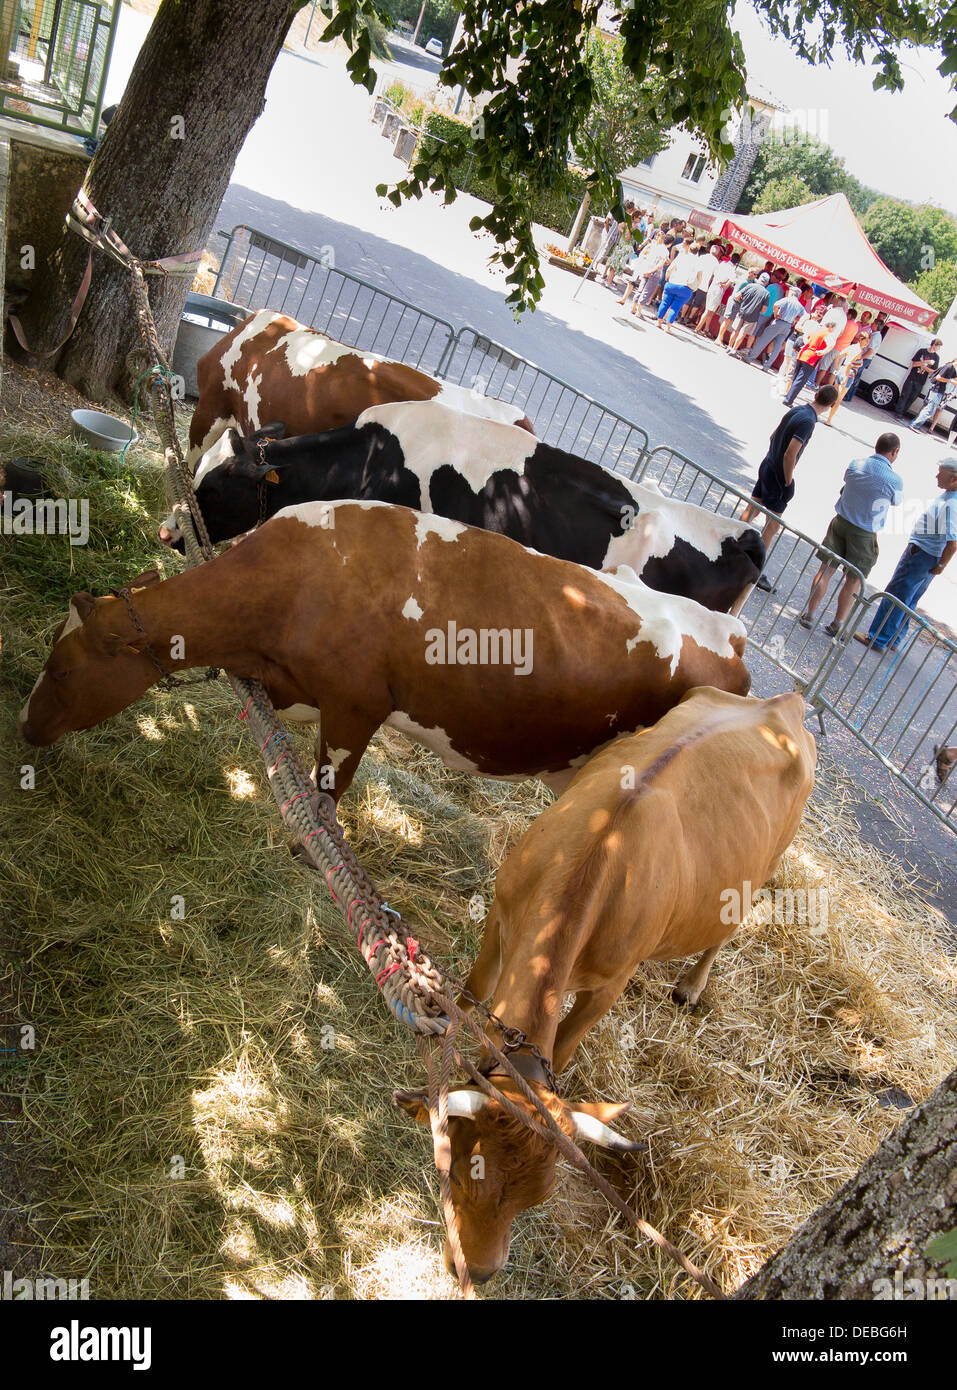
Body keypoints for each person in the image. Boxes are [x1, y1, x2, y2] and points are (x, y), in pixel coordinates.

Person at [800, 433, 903, 636]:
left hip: (840, 522)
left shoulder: (856, 464)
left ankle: (810, 614)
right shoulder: (894, 480)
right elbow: (896, 502)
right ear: (894, 452)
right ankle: (837, 623)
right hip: (864, 533)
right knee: (853, 580)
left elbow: (846, 480)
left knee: (825, 570)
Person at [855, 460, 957, 652]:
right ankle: (893, 638)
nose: (936, 476)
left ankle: (878, 638)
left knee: (895, 596)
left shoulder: (952, 504)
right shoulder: (950, 496)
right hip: (927, 555)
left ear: (954, 478)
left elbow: (953, 544)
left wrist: (941, 566)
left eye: (940, 473)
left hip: (923, 555)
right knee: (908, 599)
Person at [741, 386, 840, 579]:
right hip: (779, 475)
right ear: (831, 405)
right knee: (773, 524)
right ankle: (754, 567)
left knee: (751, 509)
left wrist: (772, 457)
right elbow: (790, 454)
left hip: (768, 465)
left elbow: (772, 436)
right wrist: (788, 480)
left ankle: (729, 540)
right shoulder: (808, 421)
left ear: (816, 394)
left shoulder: (797, 409)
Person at [745, 283, 803, 369]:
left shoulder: (787, 299)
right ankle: (767, 366)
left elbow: (776, 304)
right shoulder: (799, 305)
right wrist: (795, 321)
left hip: (779, 322)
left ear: (792, 292)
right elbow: (803, 315)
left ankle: (750, 358)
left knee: (763, 341)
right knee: (777, 347)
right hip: (787, 326)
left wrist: (776, 314)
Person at [782, 317, 832, 406]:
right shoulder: (827, 334)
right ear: (831, 327)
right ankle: (788, 400)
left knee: (796, 377)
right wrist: (822, 351)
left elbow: (806, 338)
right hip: (811, 358)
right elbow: (830, 346)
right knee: (800, 380)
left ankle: (788, 396)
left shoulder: (817, 330)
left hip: (802, 353)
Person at [824, 330, 869, 425]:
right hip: (849, 374)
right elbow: (850, 364)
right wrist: (847, 376)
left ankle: (822, 411)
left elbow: (838, 356)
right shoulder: (859, 351)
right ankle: (829, 420)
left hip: (841, 370)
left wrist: (836, 369)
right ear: (862, 340)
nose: (867, 343)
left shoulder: (852, 347)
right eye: (866, 341)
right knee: (838, 400)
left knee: (833, 395)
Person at [656, 237, 700, 332]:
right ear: (697, 251)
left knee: (665, 302)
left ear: (689, 248)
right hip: (685, 288)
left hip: (672, 283)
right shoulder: (698, 262)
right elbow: (699, 277)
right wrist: (696, 287)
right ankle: (668, 327)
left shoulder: (681, 256)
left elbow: (669, 269)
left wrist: (667, 278)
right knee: (675, 307)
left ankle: (659, 322)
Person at [896, 339, 943, 420]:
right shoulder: (922, 351)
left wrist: (924, 367)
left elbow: (933, 371)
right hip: (912, 377)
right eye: (938, 346)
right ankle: (898, 413)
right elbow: (914, 364)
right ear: (934, 344)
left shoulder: (936, 357)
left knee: (912, 397)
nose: (939, 348)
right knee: (905, 395)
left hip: (921, 381)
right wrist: (926, 362)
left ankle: (903, 412)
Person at [697, 250, 739, 339]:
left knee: (710, 310)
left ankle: (706, 329)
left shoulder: (723, 263)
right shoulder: (732, 270)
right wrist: (725, 285)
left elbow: (714, 272)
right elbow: (731, 282)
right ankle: (698, 328)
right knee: (709, 310)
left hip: (712, 286)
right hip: (718, 289)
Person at [726, 271, 770, 355]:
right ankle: (734, 350)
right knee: (742, 334)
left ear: (759, 278)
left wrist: (742, 303)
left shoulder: (750, 286)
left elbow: (737, 296)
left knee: (735, 331)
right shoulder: (766, 294)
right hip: (753, 316)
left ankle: (729, 347)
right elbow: (764, 310)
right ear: (767, 282)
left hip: (742, 311)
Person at [844, 314, 886, 403]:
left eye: (874, 323)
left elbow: (870, 351)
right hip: (865, 358)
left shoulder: (876, 336)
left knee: (853, 376)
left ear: (877, 326)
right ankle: (848, 395)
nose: (872, 324)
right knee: (856, 377)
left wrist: (860, 358)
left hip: (865, 358)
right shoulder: (874, 334)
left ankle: (847, 395)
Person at [912, 358, 957, 434]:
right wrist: (950, 381)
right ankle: (914, 425)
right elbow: (938, 377)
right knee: (928, 411)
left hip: (940, 392)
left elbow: (955, 378)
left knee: (928, 410)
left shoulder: (953, 369)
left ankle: (914, 424)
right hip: (937, 390)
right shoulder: (948, 366)